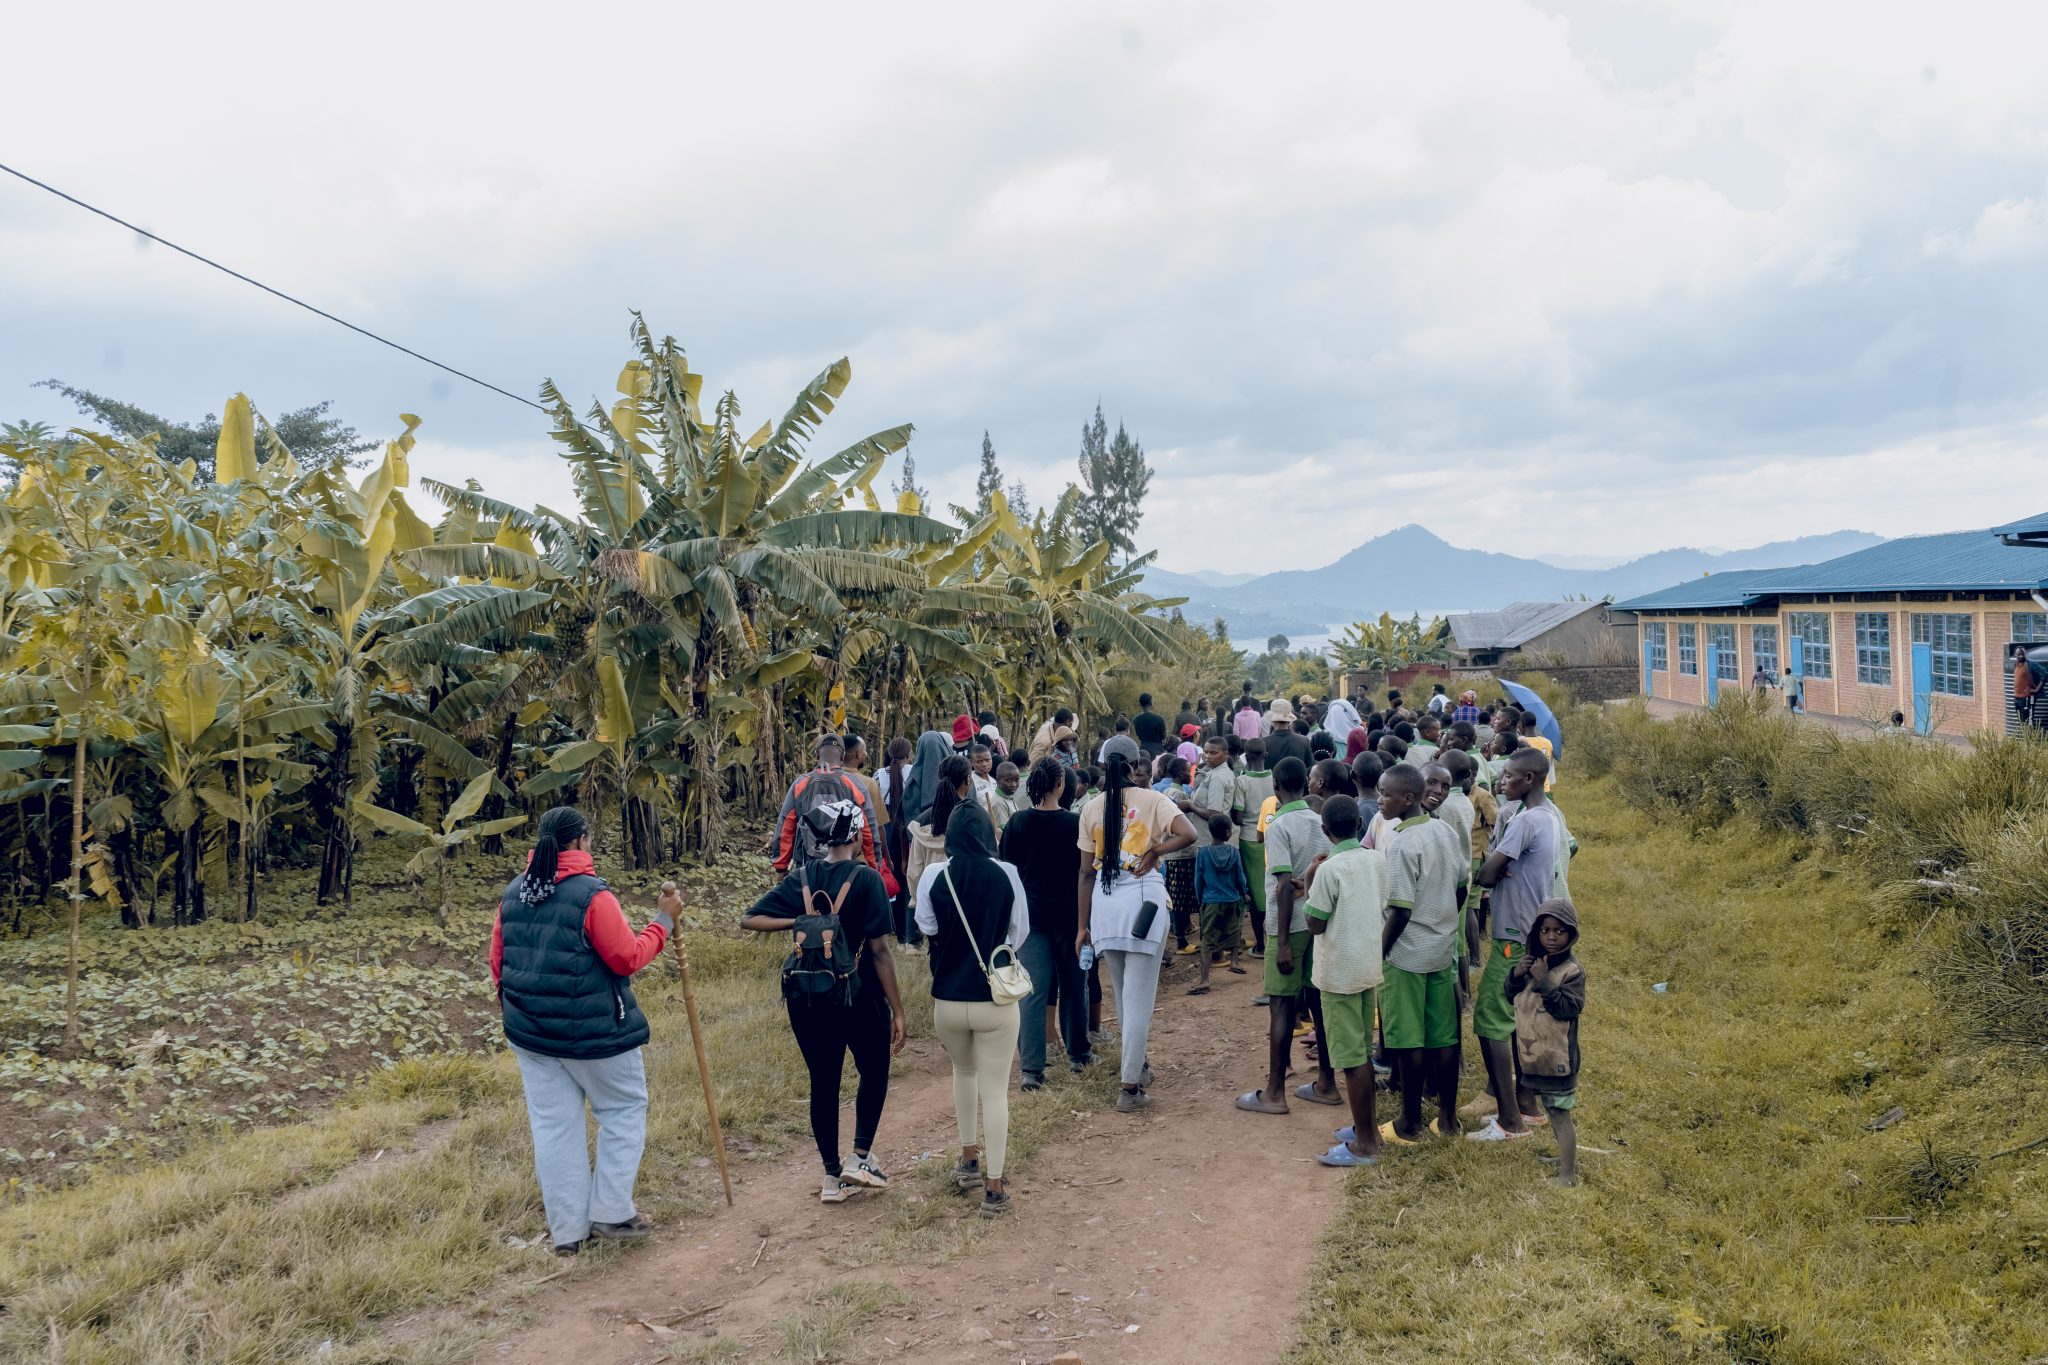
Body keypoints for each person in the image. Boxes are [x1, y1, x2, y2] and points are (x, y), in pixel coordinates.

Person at [491, 806, 678, 1254]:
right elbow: (626, 958)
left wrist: (520, 1014)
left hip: (531, 1036)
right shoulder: (593, 895)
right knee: (623, 1108)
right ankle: (611, 1212)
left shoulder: (515, 892)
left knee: (554, 1128)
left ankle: (568, 1234)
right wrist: (664, 922)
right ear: (579, 842)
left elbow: (498, 964)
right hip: (595, 1036)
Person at [742, 801, 908, 1204]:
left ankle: (832, 1177)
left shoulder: (801, 878)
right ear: (854, 836)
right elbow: (879, 951)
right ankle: (860, 1157)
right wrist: (898, 1010)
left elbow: (750, 919)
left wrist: (800, 921)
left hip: (808, 998)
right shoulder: (866, 879)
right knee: (874, 1071)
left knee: (823, 1082)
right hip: (860, 995)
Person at [916, 802, 1031, 1218]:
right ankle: (994, 1189)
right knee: (995, 1090)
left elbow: (927, 927)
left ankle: (968, 1160)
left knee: (962, 1073)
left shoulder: (933, 875)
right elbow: (1019, 933)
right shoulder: (1007, 873)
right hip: (994, 1000)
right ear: (987, 832)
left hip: (948, 998)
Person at [1076, 751, 1196, 1113]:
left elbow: (1086, 872)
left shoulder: (1090, 807)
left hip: (1105, 907)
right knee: (1139, 1001)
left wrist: (1082, 926)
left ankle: (1138, 1066)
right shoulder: (1153, 799)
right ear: (1133, 768)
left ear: (1103, 771)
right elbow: (1188, 834)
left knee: (1124, 994)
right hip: (1144, 904)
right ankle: (1129, 1088)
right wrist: (1156, 850)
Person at [1234, 757, 1338, 1115]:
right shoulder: (1319, 819)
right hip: (1317, 922)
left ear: (1276, 786)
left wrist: (1279, 944)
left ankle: (1275, 1092)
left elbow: (1281, 887)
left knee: (1280, 1005)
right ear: (1305, 784)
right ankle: (1326, 1083)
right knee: (1318, 1002)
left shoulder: (1279, 824)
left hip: (1289, 926)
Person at [1470, 749, 1564, 1141]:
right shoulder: (1549, 816)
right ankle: (1527, 1105)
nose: (1501, 781)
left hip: (1514, 937)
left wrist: (1493, 863)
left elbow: (1486, 876)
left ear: (1529, 779)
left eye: (1508, 776)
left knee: (1489, 1020)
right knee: (1520, 1019)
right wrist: (1498, 864)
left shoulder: (1524, 820)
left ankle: (1509, 1122)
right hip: (1533, 930)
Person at [1374, 765, 1467, 1144]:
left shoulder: (1401, 845)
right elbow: (1461, 887)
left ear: (1407, 799)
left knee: (1407, 1038)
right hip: (1441, 950)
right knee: (1444, 1036)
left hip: (1406, 955)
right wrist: (1443, 921)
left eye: (1386, 794)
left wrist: (1379, 953)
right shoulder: (1444, 832)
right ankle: (1447, 1120)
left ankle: (1408, 1123)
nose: (1380, 800)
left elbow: (1400, 910)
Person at [1296, 795, 1387, 1166]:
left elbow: (1315, 923)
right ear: (1360, 825)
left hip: (1338, 974)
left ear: (1325, 830)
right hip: (1367, 965)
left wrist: (1309, 879)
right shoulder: (1376, 859)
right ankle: (1367, 1129)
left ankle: (1366, 1144)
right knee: (1361, 1052)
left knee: (1351, 1060)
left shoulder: (1329, 869)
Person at [1001, 758, 1090, 1090]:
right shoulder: (1075, 824)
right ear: (1061, 785)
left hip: (1031, 920)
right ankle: (1079, 1055)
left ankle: (1031, 1070)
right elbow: (1085, 873)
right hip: (1070, 919)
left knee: (1032, 993)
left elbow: (1007, 872)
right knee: (1074, 986)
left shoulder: (1017, 822)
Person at [1507, 900, 1585, 1184]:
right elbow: (1511, 996)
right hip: (1536, 1058)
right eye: (1545, 930)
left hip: (1558, 1060)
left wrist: (1544, 981)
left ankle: (1568, 1175)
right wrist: (1517, 974)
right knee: (1552, 1110)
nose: (1551, 937)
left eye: (1559, 931)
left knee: (1560, 1113)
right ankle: (1564, 1158)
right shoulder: (1534, 964)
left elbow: (1567, 1008)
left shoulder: (1571, 972)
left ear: (1571, 934)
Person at [773, 734, 878, 873]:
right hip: (844, 869)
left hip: (808, 868)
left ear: (817, 755)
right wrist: (874, 867)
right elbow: (869, 830)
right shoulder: (855, 785)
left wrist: (781, 866)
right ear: (842, 756)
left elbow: (786, 826)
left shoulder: (800, 784)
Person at [905, 753, 972, 925]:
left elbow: (915, 871)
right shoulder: (974, 816)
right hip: (968, 903)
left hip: (933, 902)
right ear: (968, 779)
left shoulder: (923, 820)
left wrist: (918, 902)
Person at [1191, 813, 1251, 994]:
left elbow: (1198, 879)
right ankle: (1234, 961)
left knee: (1207, 940)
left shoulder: (1203, 853)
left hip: (1210, 901)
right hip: (1232, 899)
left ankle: (1204, 980)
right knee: (1234, 930)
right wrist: (1244, 892)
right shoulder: (1234, 852)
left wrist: (1200, 899)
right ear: (1227, 832)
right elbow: (1240, 876)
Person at [1234, 736, 1273, 958]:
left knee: (1257, 894)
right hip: (1273, 836)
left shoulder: (1242, 781)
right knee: (1273, 886)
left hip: (1250, 840)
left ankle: (1260, 945)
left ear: (1245, 757)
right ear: (1266, 755)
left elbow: (1238, 818)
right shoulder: (1275, 778)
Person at [1264, 697, 1311, 773]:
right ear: (1289, 720)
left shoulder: (1263, 743)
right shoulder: (1305, 741)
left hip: (1272, 780)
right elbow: (1310, 769)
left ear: (1272, 720)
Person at [1517, 712, 1556, 791]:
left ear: (1522, 725)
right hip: (1545, 789)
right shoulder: (1547, 742)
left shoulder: (1520, 742)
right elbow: (1550, 769)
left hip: (1528, 791)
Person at [1133, 692, 1169, 758]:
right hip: (1157, 750)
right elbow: (1164, 736)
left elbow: (1138, 735)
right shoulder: (1159, 719)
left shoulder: (1136, 719)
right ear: (1151, 703)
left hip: (1143, 749)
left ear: (1140, 704)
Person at [2013, 644, 2037, 727]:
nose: (2020, 656)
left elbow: (2044, 674)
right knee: (2021, 721)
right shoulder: (2016, 665)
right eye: (2018, 654)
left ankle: (2029, 735)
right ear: (2015, 655)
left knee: (2026, 722)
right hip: (2017, 698)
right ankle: (2024, 734)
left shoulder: (2029, 664)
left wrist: (2036, 689)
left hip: (2025, 698)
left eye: (2022, 654)